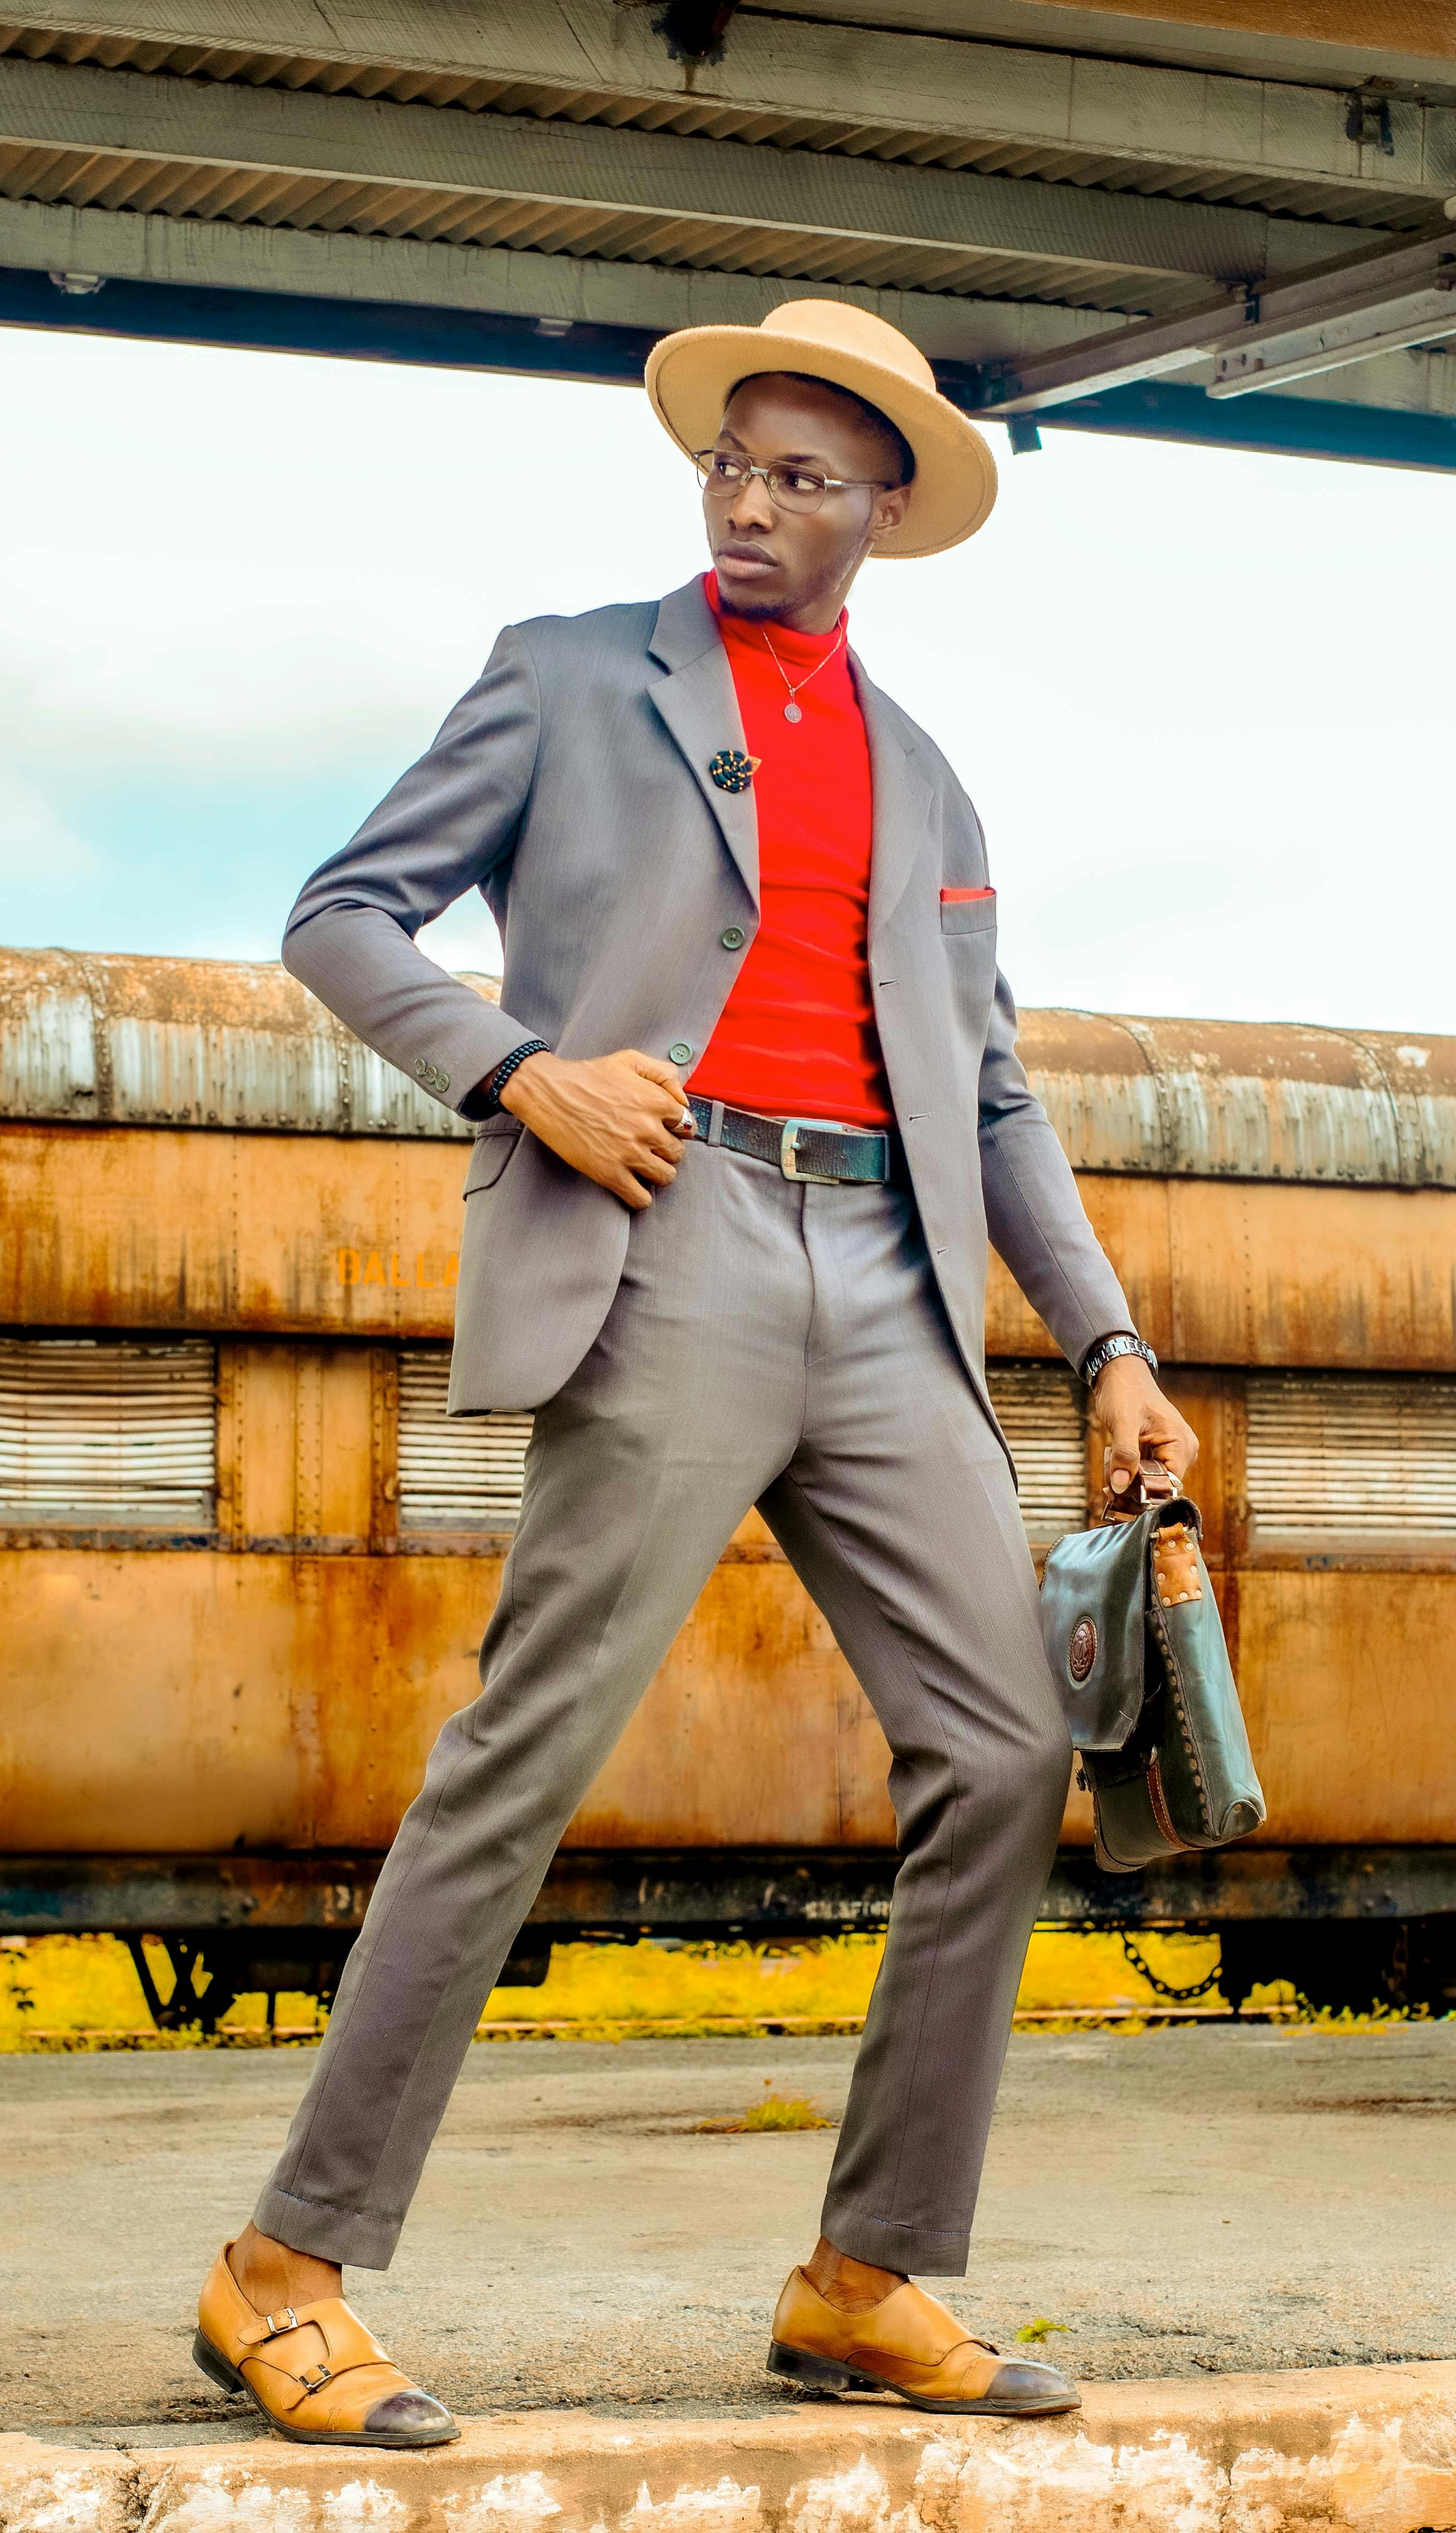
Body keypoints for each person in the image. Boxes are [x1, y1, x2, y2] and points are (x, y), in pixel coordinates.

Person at [192, 297, 1196, 2446]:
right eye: (727, 466)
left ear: (887, 509)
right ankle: (281, 2263)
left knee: (1012, 1746)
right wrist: (523, 1071)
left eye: (799, 477)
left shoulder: (931, 781)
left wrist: (1105, 1335)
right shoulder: (569, 673)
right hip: (670, 1239)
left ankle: (867, 2273)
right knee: (525, 1757)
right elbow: (344, 910)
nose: (748, 504)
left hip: (891, 1273)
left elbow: (996, 1092)